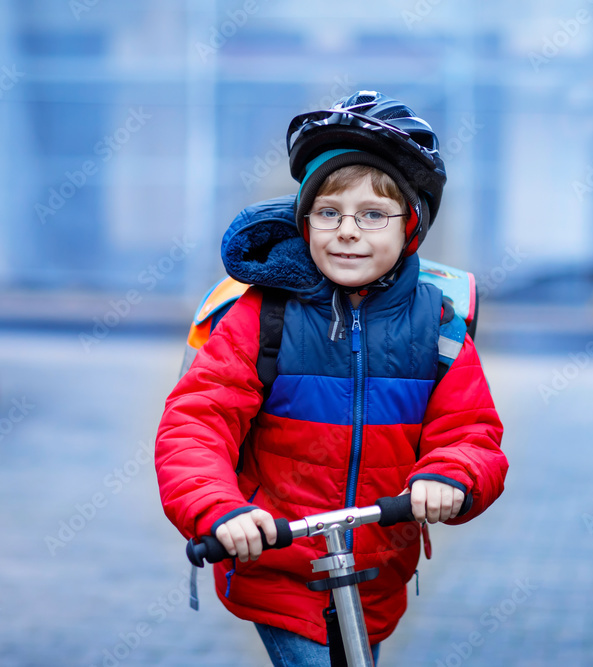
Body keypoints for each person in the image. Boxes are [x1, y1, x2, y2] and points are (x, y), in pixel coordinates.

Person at [155, 91, 507, 666]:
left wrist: (450, 474)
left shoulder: (436, 323)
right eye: (329, 212)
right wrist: (220, 508)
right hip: (279, 560)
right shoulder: (263, 316)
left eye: (373, 214)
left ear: (410, 228)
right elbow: (196, 424)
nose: (348, 231)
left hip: (378, 567)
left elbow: (470, 431)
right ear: (306, 221)